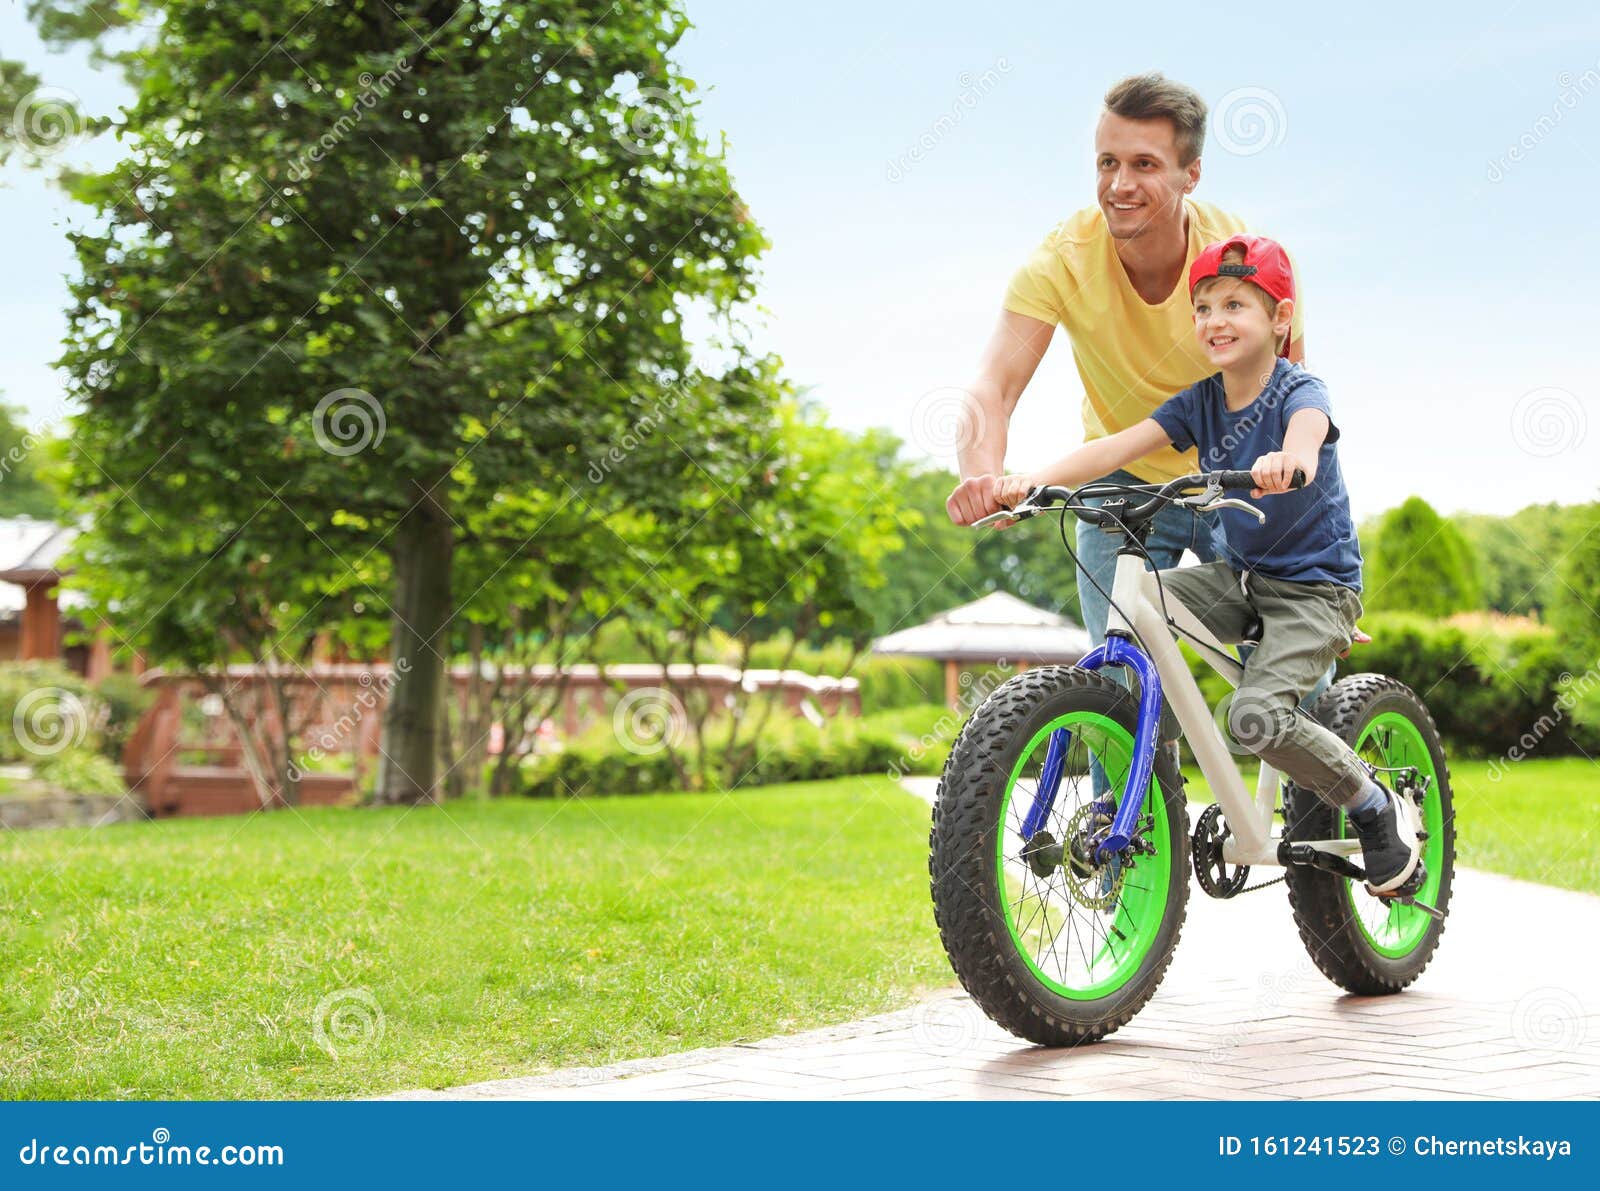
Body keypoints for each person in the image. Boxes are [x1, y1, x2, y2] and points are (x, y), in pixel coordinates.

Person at [991, 235, 1421, 898]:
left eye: (1234, 304)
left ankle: (1369, 804)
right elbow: (1119, 447)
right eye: (1202, 307)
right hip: (1243, 581)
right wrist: (1035, 479)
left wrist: (1290, 461)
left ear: (1280, 319)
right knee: (1136, 609)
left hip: (1313, 590)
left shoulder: (1297, 389)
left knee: (1254, 717)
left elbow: (1308, 430)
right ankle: (1141, 783)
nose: (1213, 320)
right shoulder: (1200, 401)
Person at [944, 71, 1330, 710]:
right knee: (1114, 685)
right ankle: (1124, 811)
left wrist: (1313, 576)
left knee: (1295, 679)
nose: (1119, 185)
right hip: (1120, 477)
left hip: (1234, 478)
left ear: (1190, 175)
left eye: (1144, 164)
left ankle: (1339, 806)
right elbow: (994, 385)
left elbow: (1289, 401)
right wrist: (984, 477)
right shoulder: (1062, 260)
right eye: (1107, 162)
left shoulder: (1245, 266)